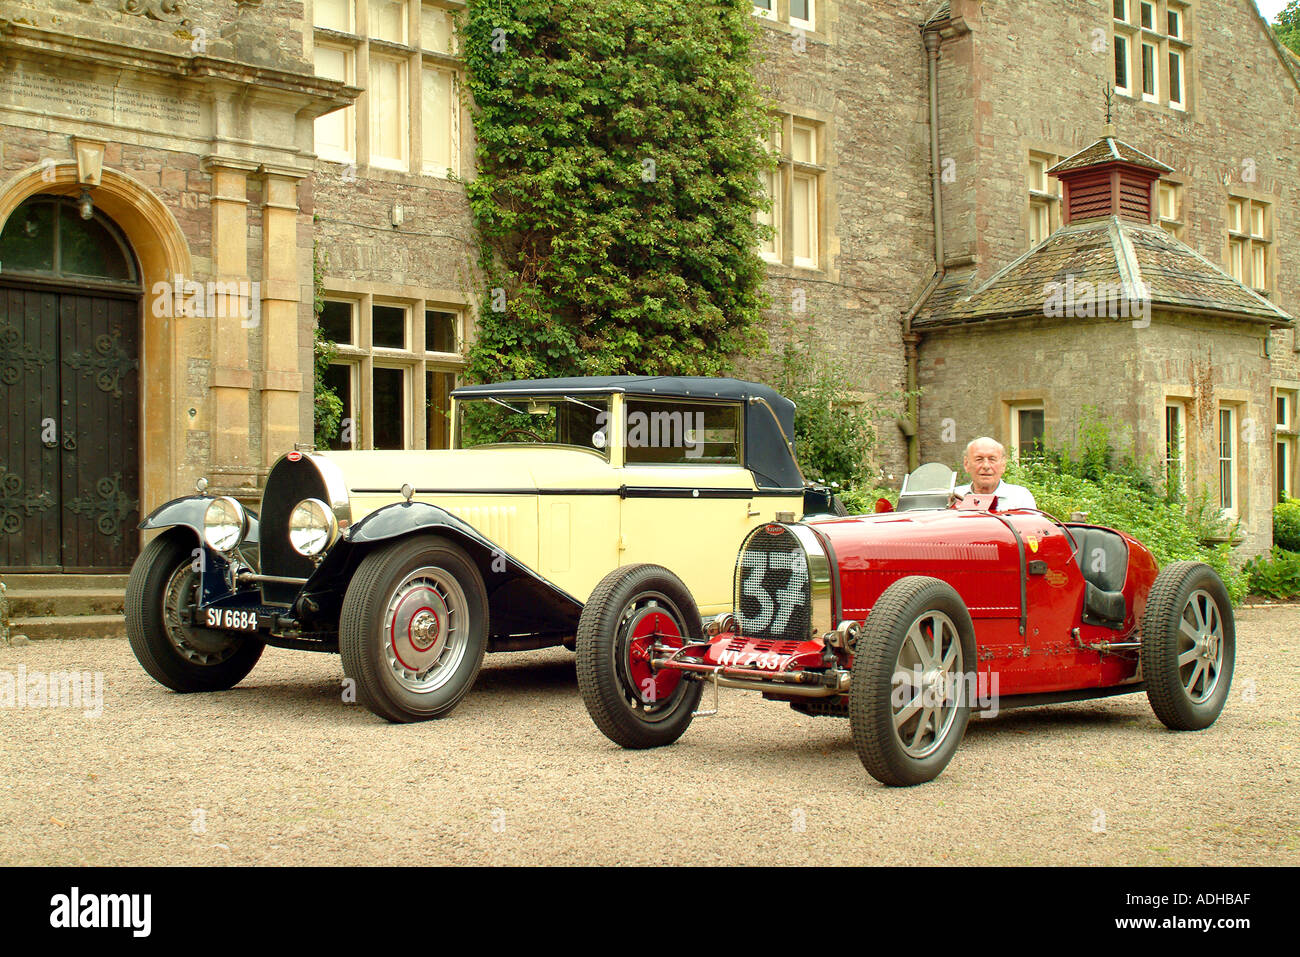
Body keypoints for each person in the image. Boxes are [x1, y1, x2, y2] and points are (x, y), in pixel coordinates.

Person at [954, 437, 1037, 510]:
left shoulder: (1020, 497)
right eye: (979, 459)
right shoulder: (954, 497)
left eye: (992, 459)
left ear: (1003, 465)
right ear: (966, 464)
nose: (986, 466)